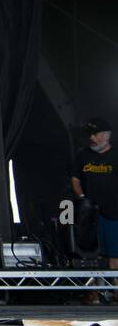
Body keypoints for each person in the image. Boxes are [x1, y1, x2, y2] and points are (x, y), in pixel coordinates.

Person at [71, 117, 116, 302]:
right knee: (91, 254)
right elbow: (75, 179)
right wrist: (82, 199)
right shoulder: (82, 155)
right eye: (90, 135)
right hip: (89, 213)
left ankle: (115, 290)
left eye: (96, 134)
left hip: (114, 212)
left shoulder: (115, 156)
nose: (92, 138)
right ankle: (94, 291)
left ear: (106, 135)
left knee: (114, 255)